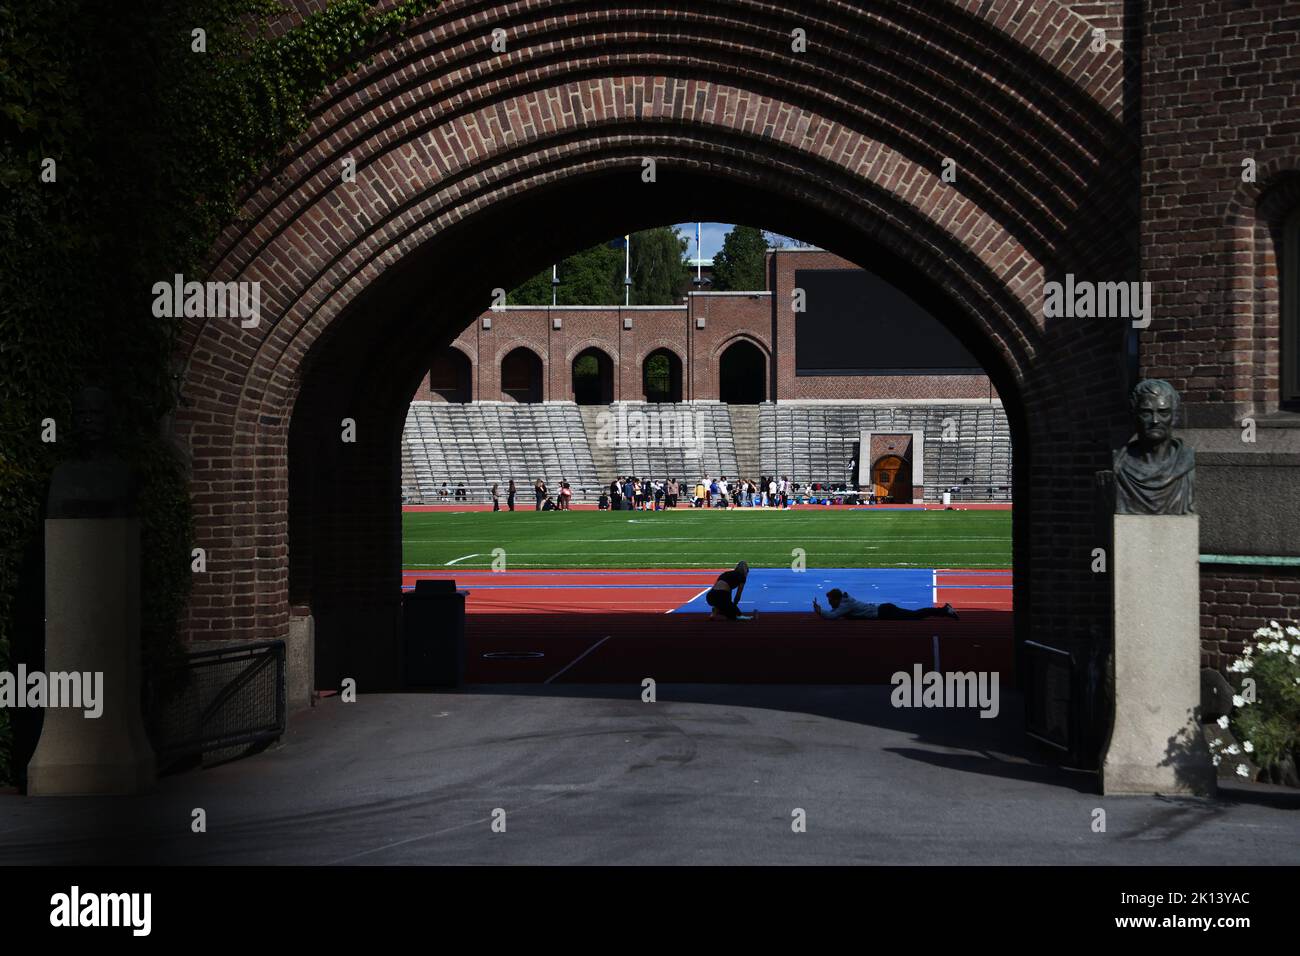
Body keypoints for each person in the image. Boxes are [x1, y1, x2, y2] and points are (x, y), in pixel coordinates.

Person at [813, 588, 959, 621]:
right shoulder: (845, 602)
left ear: (836, 599)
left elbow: (833, 616)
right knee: (914, 615)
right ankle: (943, 611)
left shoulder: (845, 605)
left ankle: (944, 610)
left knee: (915, 615)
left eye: (830, 600)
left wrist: (820, 612)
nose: (829, 602)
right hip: (884, 609)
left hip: (884, 612)